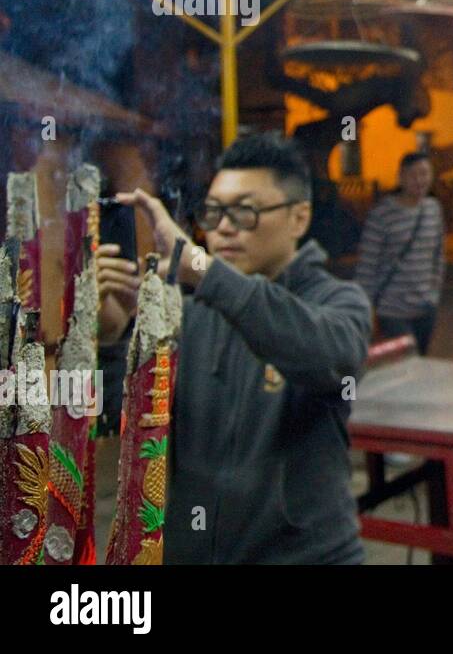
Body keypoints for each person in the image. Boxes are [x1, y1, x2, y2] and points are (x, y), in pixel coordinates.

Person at [96, 133, 371, 564]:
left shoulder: (338, 302)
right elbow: (120, 417)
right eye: (214, 211)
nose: (222, 227)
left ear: (299, 218)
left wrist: (203, 269)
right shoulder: (190, 313)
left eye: (244, 211)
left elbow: (328, 357)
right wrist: (114, 335)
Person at [355, 151, 446, 355]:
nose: (419, 180)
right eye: (413, 175)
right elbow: (367, 266)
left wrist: (434, 293)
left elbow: (438, 256)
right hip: (392, 311)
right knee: (404, 363)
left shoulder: (433, 209)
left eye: (424, 174)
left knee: (421, 363)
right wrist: (363, 308)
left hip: (425, 308)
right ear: (401, 177)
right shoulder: (382, 215)